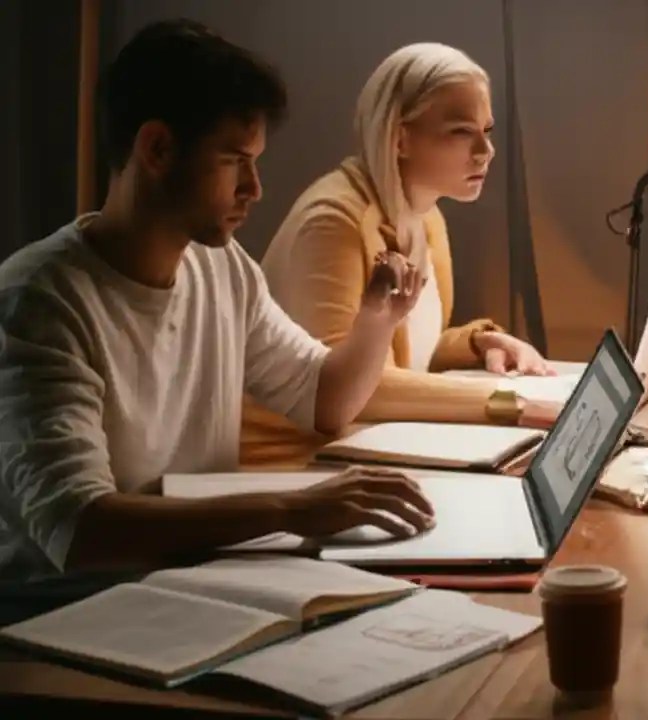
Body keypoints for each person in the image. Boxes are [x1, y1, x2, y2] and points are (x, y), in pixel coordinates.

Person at [0, 20, 435, 582]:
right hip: (59, 614)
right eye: (234, 160)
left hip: (186, 582)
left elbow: (324, 400)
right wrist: (292, 508)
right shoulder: (38, 304)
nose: (255, 187)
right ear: (156, 148)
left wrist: (378, 318)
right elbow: (81, 529)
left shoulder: (219, 267)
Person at [240, 42, 558, 469]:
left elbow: (403, 358)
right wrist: (511, 403)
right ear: (401, 138)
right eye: (462, 131)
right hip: (296, 468)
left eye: (488, 129)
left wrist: (478, 342)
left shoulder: (426, 218)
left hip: (366, 455)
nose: (486, 151)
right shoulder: (333, 222)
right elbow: (354, 388)